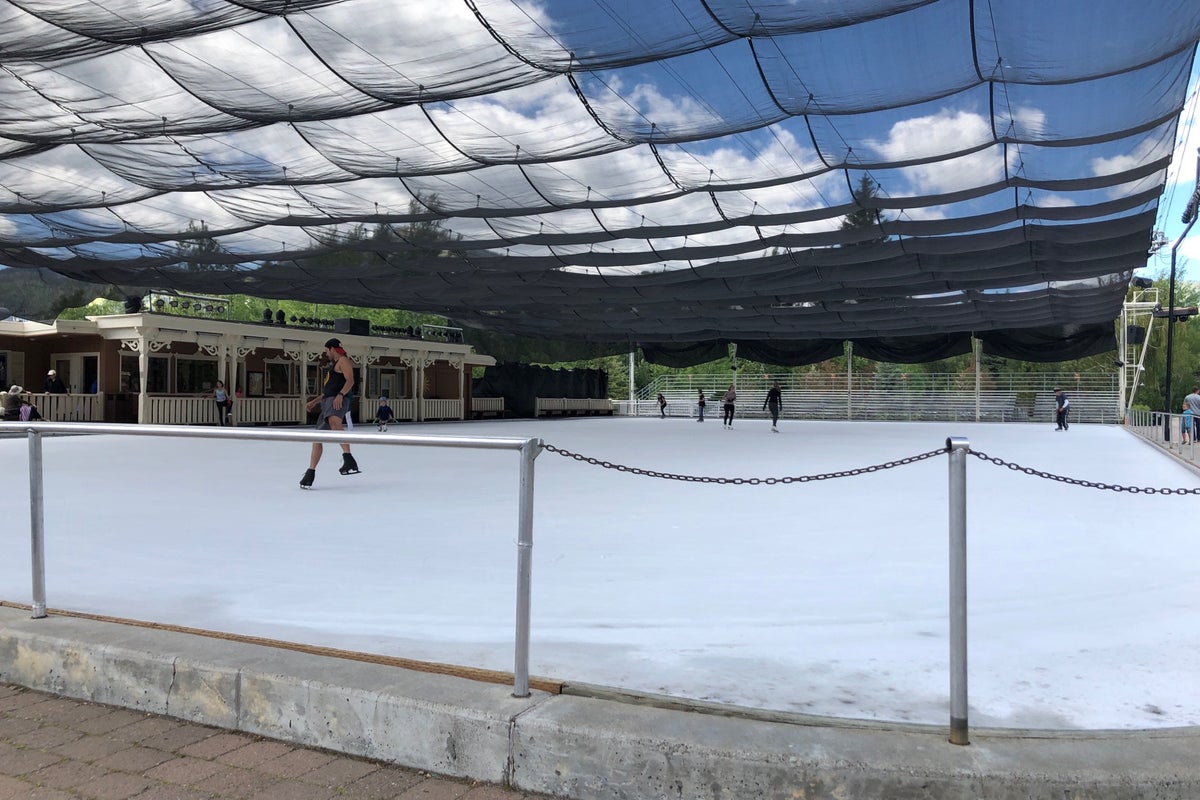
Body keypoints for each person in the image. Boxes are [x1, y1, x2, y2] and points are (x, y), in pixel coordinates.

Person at [300, 338, 359, 488]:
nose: (326, 353)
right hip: (328, 400)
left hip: (336, 400)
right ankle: (310, 472)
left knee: (334, 423)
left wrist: (341, 395)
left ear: (332, 349)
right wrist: (314, 401)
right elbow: (328, 391)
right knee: (317, 437)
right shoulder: (334, 365)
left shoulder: (343, 361)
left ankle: (348, 457)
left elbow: (350, 381)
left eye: (326, 350)